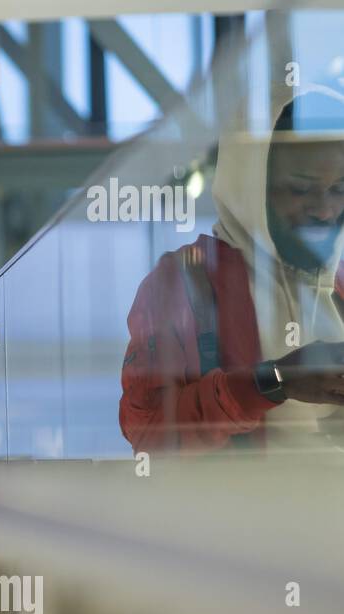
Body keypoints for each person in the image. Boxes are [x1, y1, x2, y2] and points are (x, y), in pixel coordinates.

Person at [119, 85, 344, 454]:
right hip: (236, 509)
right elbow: (147, 433)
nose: (324, 210)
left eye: (338, 189)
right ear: (251, 186)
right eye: (301, 190)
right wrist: (275, 381)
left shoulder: (339, 286)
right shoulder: (184, 282)